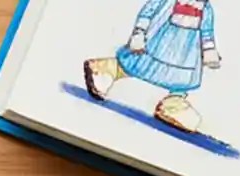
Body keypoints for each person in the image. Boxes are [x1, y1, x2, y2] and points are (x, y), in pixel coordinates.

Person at [83, 0, 221, 133]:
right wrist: (139, 33)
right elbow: (148, 12)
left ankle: (174, 103)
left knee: (181, 79)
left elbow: (206, 31)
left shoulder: (205, 8)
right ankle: (106, 69)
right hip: (160, 42)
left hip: (187, 51)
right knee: (140, 62)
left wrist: (209, 50)